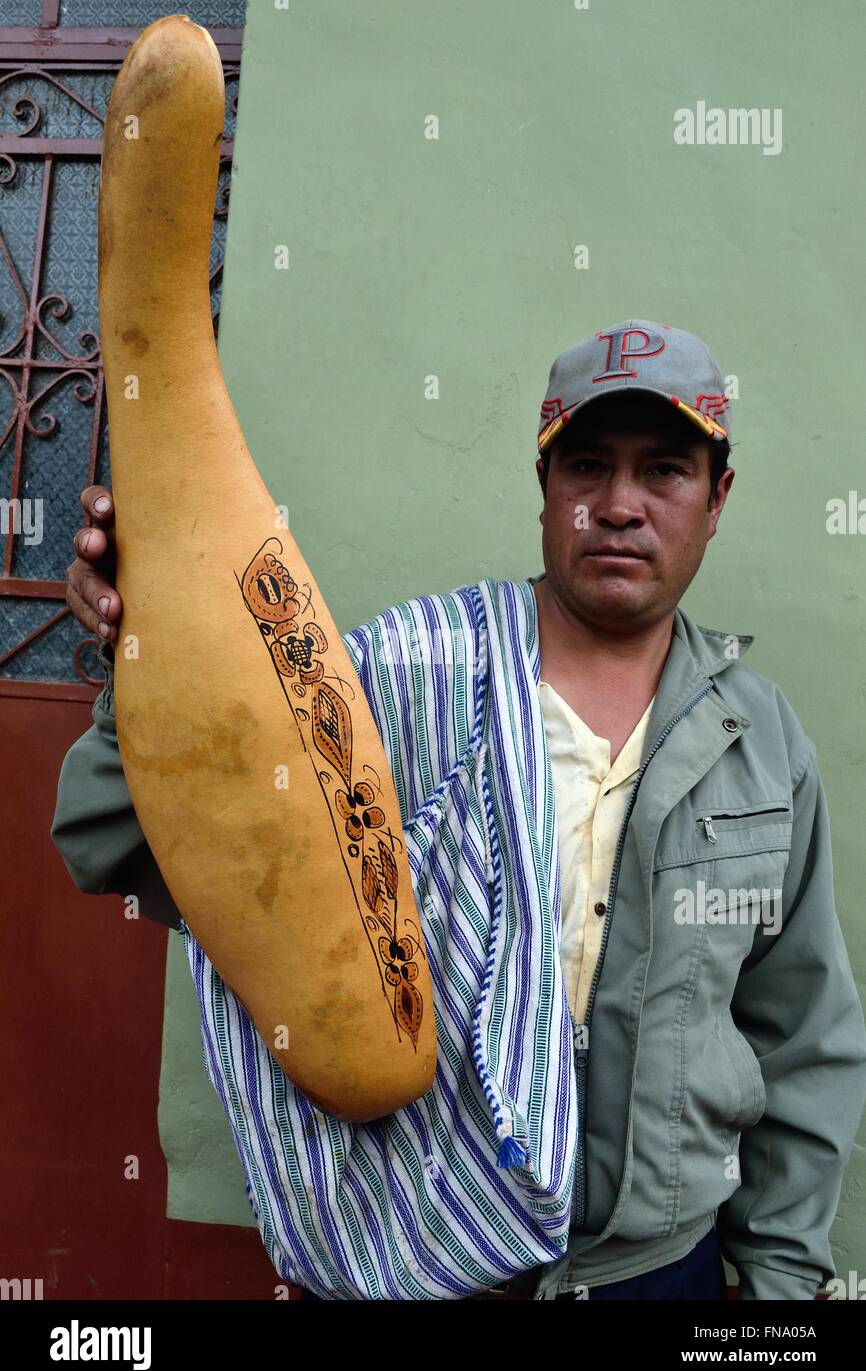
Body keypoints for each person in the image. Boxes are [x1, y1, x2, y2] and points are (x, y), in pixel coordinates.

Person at [52, 319, 866, 1300]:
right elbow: (124, 840)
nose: (618, 505)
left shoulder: (758, 742)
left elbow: (801, 1033)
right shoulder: (404, 678)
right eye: (585, 467)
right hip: (417, 1259)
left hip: (654, 1272)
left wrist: (778, 1285)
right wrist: (146, 651)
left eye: (663, 470)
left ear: (715, 496)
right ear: (543, 486)